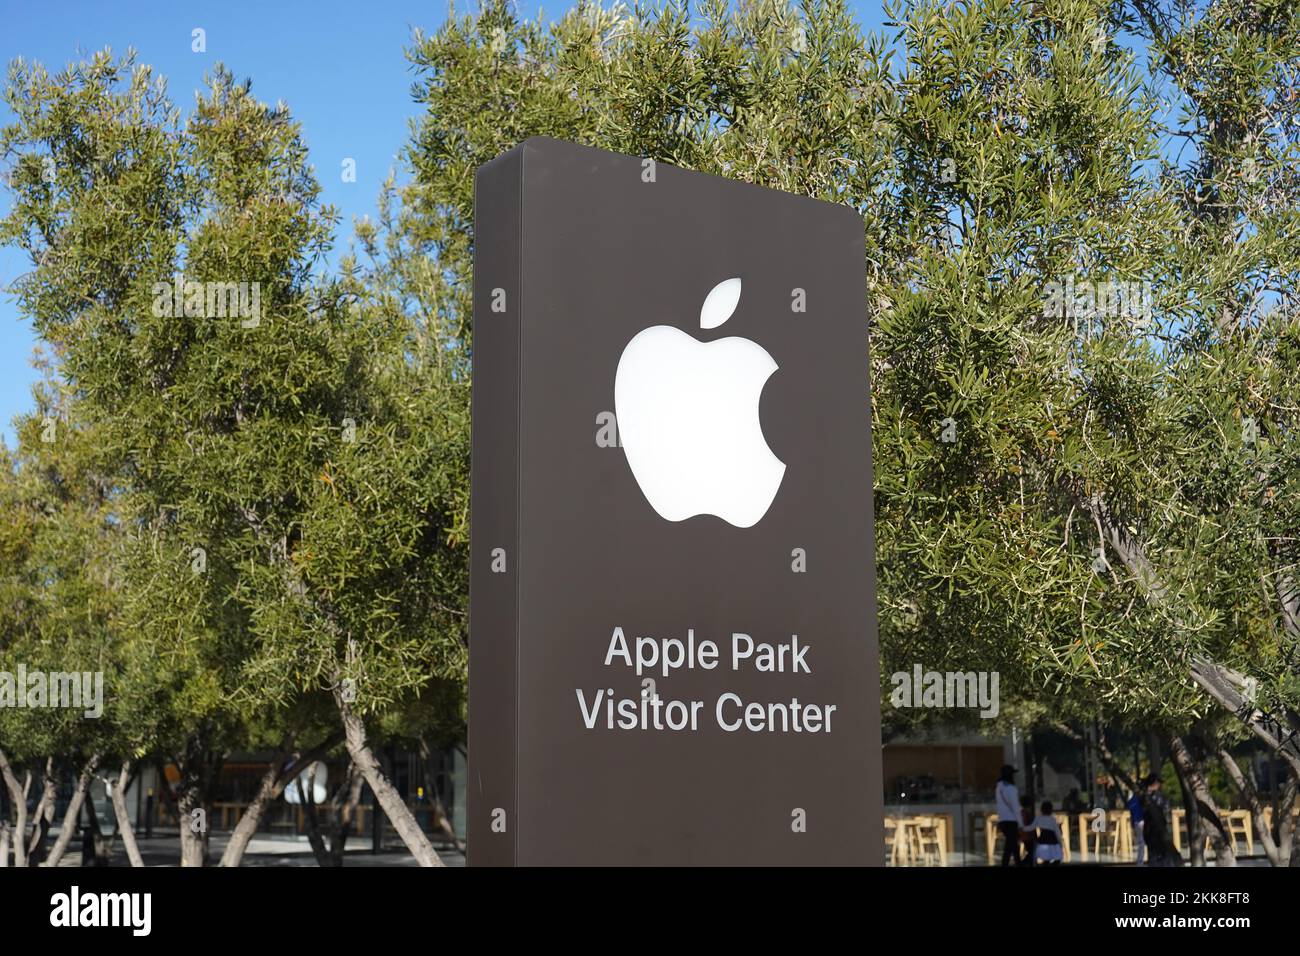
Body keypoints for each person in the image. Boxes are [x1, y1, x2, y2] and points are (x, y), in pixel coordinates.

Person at [1142, 774, 1178, 866]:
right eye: (1158, 783)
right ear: (1154, 783)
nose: (1159, 785)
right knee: (1161, 856)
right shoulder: (1157, 798)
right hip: (1156, 831)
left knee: (1156, 856)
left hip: (1152, 831)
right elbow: (1167, 815)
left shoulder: (1144, 797)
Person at [995, 764, 1021, 866]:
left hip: (1003, 820)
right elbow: (1015, 807)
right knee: (1011, 846)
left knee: (1012, 845)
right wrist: (1021, 823)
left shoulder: (998, 788)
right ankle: (1013, 863)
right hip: (1011, 821)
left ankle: (1015, 862)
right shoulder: (1011, 788)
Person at [1031, 801, 1064, 865]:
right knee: (1056, 859)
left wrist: (1022, 827)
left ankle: (1046, 862)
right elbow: (1057, 832)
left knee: (1046, 859)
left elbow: (1031, 827)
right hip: (1053, 840)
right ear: (1051, 810)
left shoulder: (1039, 818)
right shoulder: (1052, 819)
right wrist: (1060, 841)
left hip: (1042, 840)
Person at [1126, 785, 1146, 866]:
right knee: (1143, 843)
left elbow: (1129, 808)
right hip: (1141, 820)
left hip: (1137, 822)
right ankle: (1140, 862)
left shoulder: (1132, 800)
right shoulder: (1141, 798)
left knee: (1141, 843)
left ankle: (1140, 862)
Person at [1018, 795, 1037, 865]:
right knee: (1032, 852)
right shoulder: (1027, 814)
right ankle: (1024, 863)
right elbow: (1030, 826)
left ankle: (1024, 862)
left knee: (1031, 852)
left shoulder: (1021, 813)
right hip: (1028, 836)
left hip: (1022, 835)